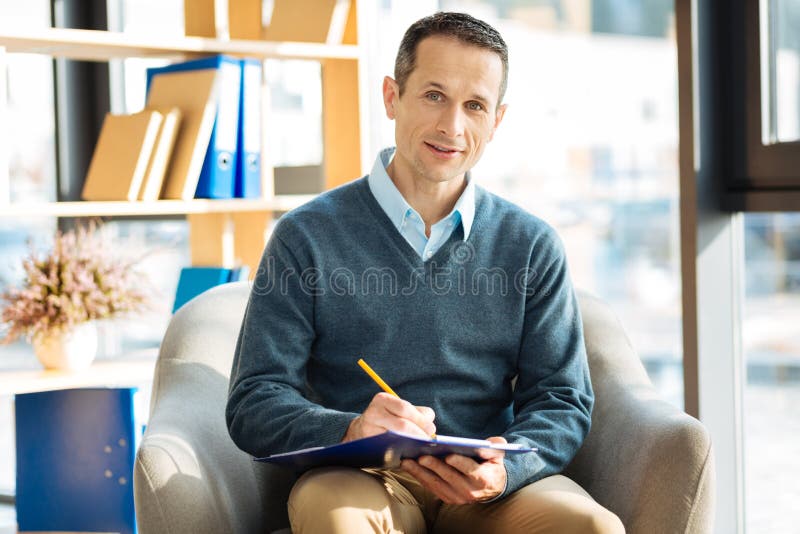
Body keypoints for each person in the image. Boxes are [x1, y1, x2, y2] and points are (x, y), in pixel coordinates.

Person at [227, 11, 625, 534]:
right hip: (360, 476)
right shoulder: (305, 237)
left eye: (475, 105)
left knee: (592, 527)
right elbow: (255, 400)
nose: (452, 127)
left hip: (489, 486)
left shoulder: (531, 245)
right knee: (338, 522)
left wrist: (508, 467)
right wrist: (350, 428)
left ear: (496, 121)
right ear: (392, 96)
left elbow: (563, 399)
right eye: (434, 95)